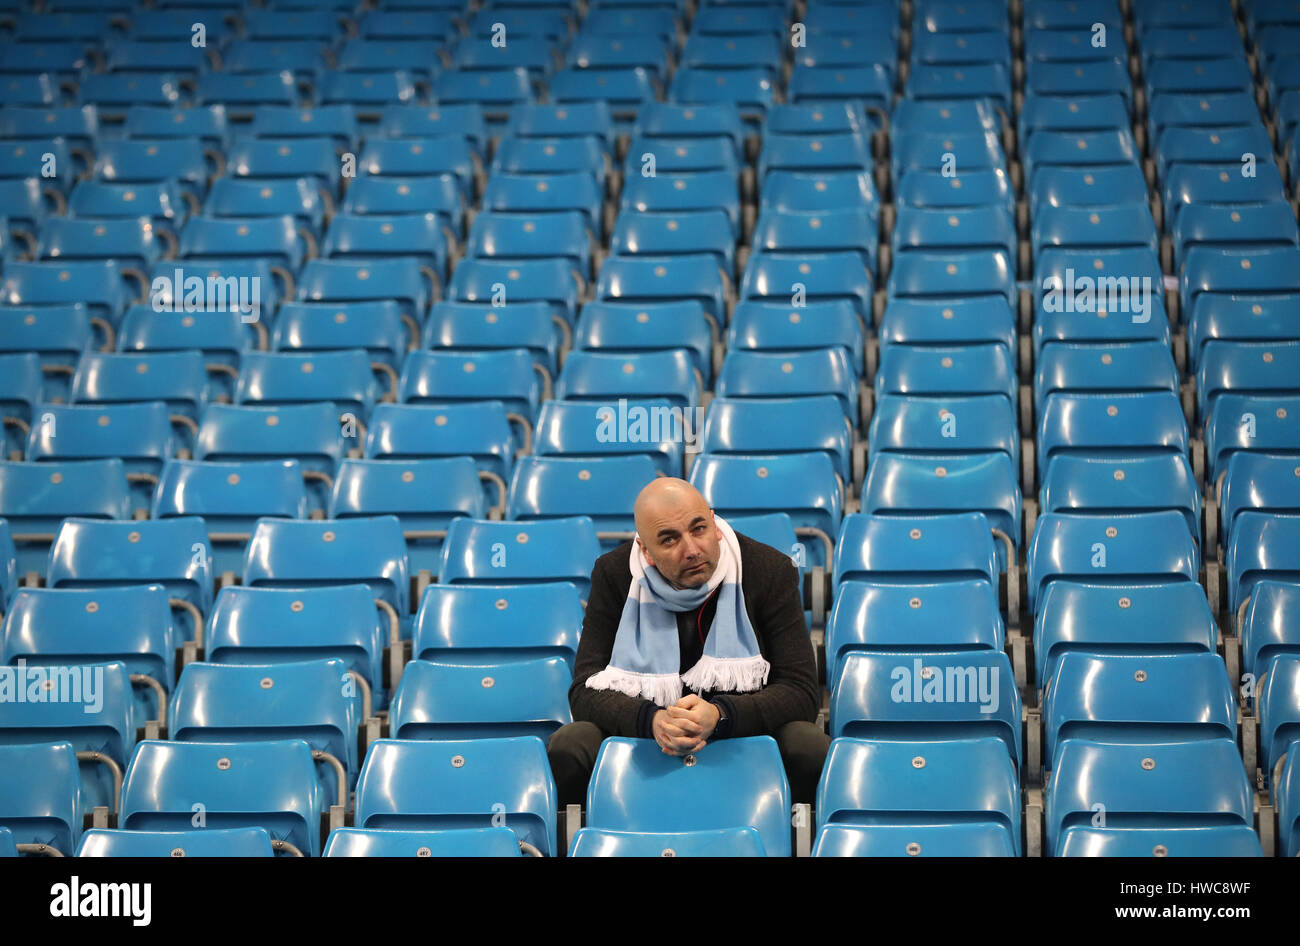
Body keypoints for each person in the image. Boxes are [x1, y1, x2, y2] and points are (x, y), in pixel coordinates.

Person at [547, 476, 829, 807]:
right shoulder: (614, 574)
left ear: (715, 524)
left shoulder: (769, 569)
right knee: (571, 743)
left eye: (699, 529)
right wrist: (652, 719)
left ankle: (794, 835)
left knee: (808, 745)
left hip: (739, 737)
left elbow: (801, 692)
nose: (692, 550)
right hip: (648, 739)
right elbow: (585, 690)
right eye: (669, 540)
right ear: (646, 551)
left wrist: (721, 715)